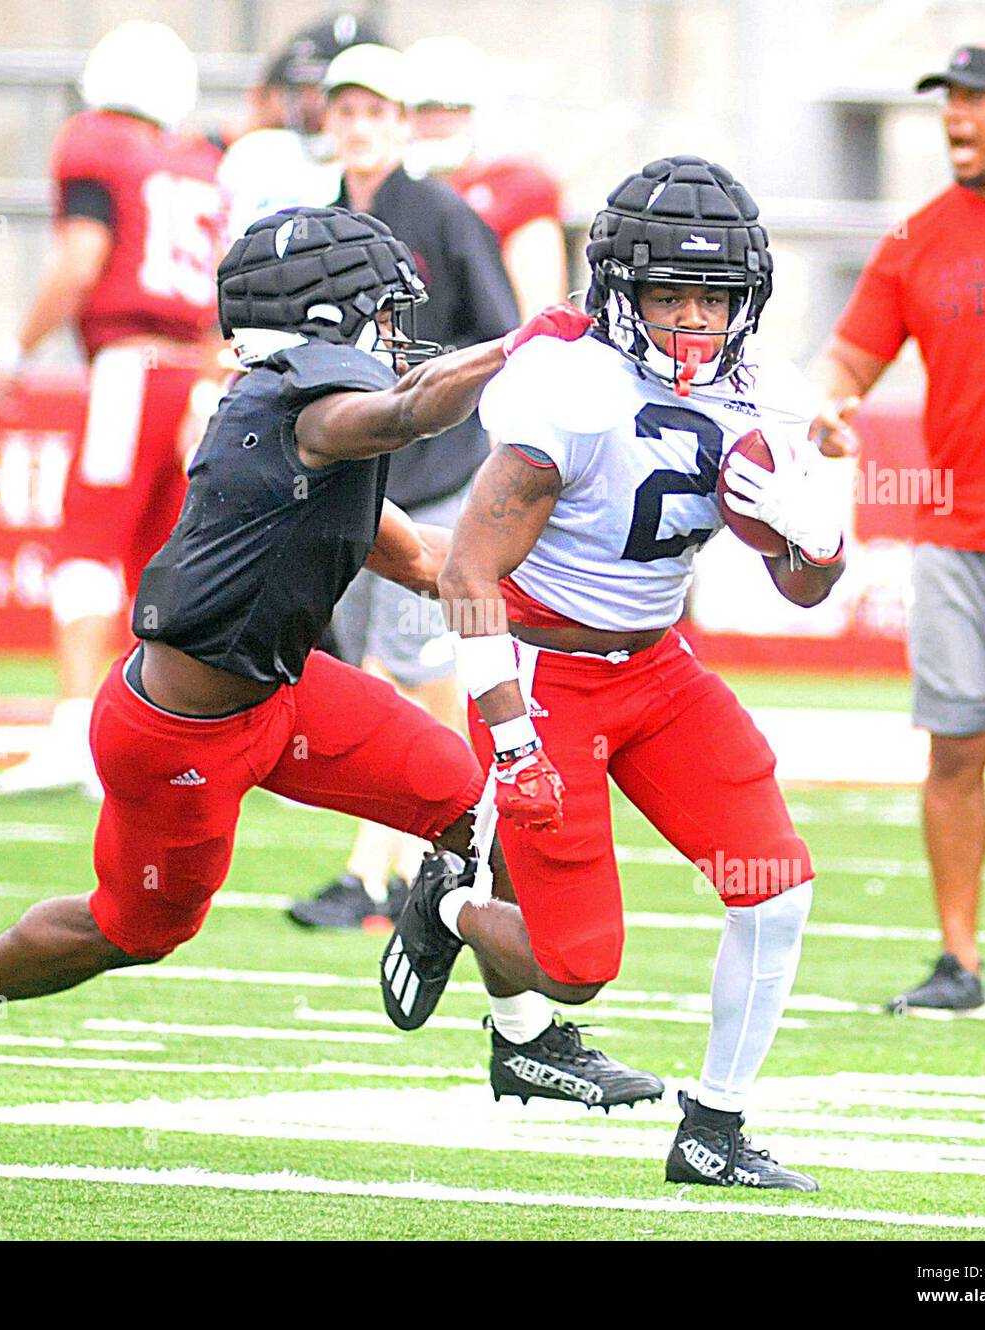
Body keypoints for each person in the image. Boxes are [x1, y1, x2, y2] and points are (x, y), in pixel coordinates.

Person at [0, 206, 662, 1131]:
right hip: (178, 733)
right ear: (330, 322)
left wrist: (594, 580)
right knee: (135, 930)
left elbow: (425, 561)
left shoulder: (310, 420)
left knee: (487, 814)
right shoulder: (306, 408)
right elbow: (407, 411)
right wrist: (523, 345)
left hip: (288, 697)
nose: (398, 336)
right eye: (384, 315)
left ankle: (522, 1044)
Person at [382, 156, 847, 1190]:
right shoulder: (572, 383)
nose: (691, 319)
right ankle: (453, 904)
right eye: (667, 294)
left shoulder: (766, 394)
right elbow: (467, 567)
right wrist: (508, 735)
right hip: (546, 676)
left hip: (658, 669)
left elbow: (805, 587)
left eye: (713, 297)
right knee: (576, 970)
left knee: (772, 891)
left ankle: (711, 1129)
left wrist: (813, 540)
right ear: (617, 291)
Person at [808, 39, 985, 1018]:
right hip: (952, 530)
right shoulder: (918, 235)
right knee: (954, 745)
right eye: (947, 103)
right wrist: (830, 405)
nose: (955, 118)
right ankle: (958, 962)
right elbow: (847, 359)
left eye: (976, 99)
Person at [287, 43, 520, 931]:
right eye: (344, 112)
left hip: (432, 475)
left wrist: (441, 412)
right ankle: (437, 854)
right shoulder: (315, 222)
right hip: (353, 477)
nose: (357, 128)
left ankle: (379, 868)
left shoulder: (446, 216)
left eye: (373, 113)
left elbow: (504, 337)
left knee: (402, 670)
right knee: (380, 669)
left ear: (401, 122)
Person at [0, 20, 229, 798]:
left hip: (130, 369)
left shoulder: (95, 142)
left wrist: (20, 345)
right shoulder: (198, 162)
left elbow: (82, 261)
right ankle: (142, 733)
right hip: (195, 372)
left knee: (89, 549)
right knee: (158, 558)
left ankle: (73, 729)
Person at [404, 36, 569, 315]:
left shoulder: (516, 186)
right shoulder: (381, 190)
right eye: (426, 110)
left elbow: (541, 318)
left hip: (486, 349)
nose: (438, 121)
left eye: (453, 109)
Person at [216, 11, 381, 238]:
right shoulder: (256, 154)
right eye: (306, 89)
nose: (314, 104)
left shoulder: (396, 169)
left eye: (329, 94)